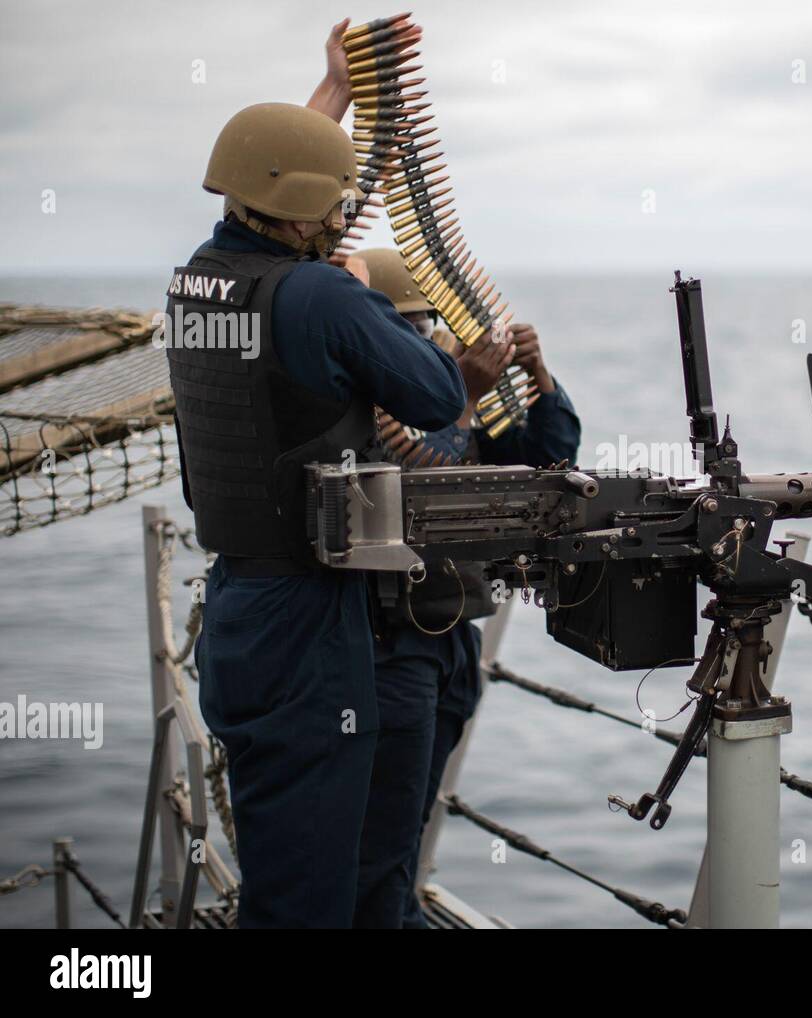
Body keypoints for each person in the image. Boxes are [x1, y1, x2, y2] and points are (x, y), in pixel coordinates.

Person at [167, 51, 466, 925]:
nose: (341, 216)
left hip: (240, 609)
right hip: (309, 624)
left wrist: (332, 94)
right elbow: (439, 395)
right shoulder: (322, 300)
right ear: (310, 211)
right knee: (306, 902)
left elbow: (277, 185)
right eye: (332, 206)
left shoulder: (198, 278)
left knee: (290, 858)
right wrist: (365, 299)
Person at [346, 248, 581, 927]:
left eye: (429, 332)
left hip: (450, 640)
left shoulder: (446, 399)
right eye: (412, 334)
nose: (426, 347)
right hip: (394, 647)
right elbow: (419, 474)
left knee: (408, 821)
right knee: (382, 838)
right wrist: (467, 396)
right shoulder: (375, 410)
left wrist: (539, 380)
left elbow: (549, 462)